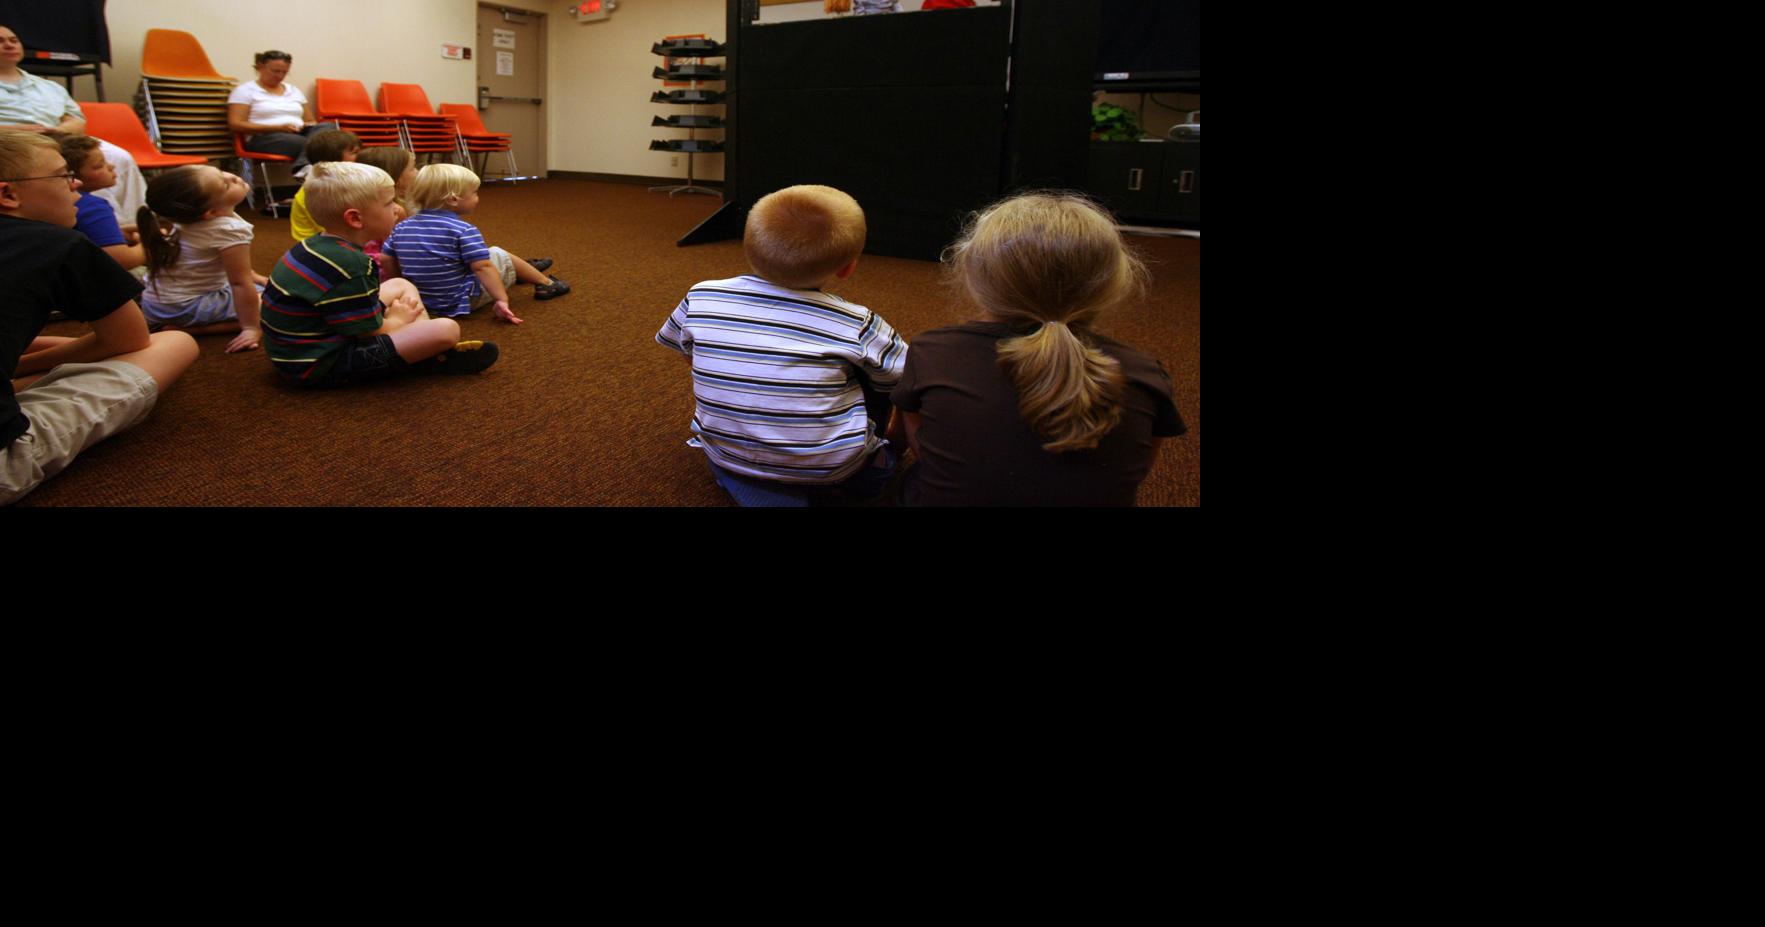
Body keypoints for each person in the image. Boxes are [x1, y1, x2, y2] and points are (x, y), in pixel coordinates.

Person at [889, 192, 1186, 506]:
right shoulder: (1144, 374)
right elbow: (1134, 471)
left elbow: (924, 449)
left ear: (975, 275)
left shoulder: (934, 353)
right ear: (1113, 280)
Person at [655, 184, 908, 506]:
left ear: (748, 247)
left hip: (725, 451)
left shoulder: (703, 295)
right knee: (877, 373)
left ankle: (750, 484)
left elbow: (686, 352)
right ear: (848, 268)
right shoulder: (857, 322)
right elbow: (906, 381)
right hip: (834, 468)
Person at [1, 130, 197, 505]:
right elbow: (129, 341)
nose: (75, 182)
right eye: (62, 175)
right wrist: (23, 366)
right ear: (8, 194)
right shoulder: (54, 243)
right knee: (173, 342)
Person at [261, 161, 499, 387]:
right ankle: (426, 357)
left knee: (399, 284)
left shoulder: (316, 245)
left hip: (303, 345)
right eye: (389, 203)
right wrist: (396, 321)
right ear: (355, 218)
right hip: (319, 364)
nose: (398, 208)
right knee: (447, 329)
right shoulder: (351, 264)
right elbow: (367, 331)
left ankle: (423, 350)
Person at [380, 163, 566, 325]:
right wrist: (501, 299)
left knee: (475, 255)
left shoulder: (402, 227)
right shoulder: (463, 229)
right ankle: (546, 283)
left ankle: (520, 271)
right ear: (453, 200)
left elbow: (386, 258)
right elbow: (482, 267)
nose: (477, 197)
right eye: (474, 193)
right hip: (461, 300)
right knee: (496, 253)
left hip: (421, 300)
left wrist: (406, 286)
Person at [0, 24, 145, 224]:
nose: (9, 45)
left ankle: (134, 222)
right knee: (85, 167)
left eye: (13, 40)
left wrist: (59, 131)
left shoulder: (48, 86)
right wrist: (16, 131)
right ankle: (99, 223)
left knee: (119, 157)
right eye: (1, 41)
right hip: (10, 143)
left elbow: (76, 119)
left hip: (57, 137)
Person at [136, 165, 264, 353]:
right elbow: (239, 282)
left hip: (157, 304)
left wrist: (259, 280)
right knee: (280, 306)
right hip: (184, 306)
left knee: (267, 290)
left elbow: (239, 272)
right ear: (211, 213)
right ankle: (189, 329)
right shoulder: (229, 231)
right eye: (225, 185)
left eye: (222, 173)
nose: (233, 177)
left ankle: (178, 324)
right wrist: (251, 328)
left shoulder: (187, 217)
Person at [227, 50, 337, 173]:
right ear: (260, 67)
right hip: (263, 137)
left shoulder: (293, 90)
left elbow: (311, 120)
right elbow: (235, 124)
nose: (280, 76)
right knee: (317, 145)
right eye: (275, 71)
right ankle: (309, 171)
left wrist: (306, 125)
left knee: (329, 127)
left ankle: (304, 168)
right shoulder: (245, 91)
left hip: (298, 132)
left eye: (284, 72)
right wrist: (277, 127)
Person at [53, 131, 142, 270]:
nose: (111, 166)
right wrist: (149, 245)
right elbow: (120, 261)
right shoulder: (93, 207)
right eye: (99, 165)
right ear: (72, 176)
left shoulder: (51, 201)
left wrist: (114, 232)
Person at [352, 145, 415, 279]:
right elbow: (400, 251)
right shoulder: (396, 210)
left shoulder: (358, 203)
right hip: (383, 273)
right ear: (396, 176)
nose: (417, 172)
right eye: (412, 168)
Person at [289, 128, 358, 242]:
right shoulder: (317, 189)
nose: (359, 157)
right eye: (354, 153)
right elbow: (334, 230)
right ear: (334, 158)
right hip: (316, 244)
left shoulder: (339, 181)